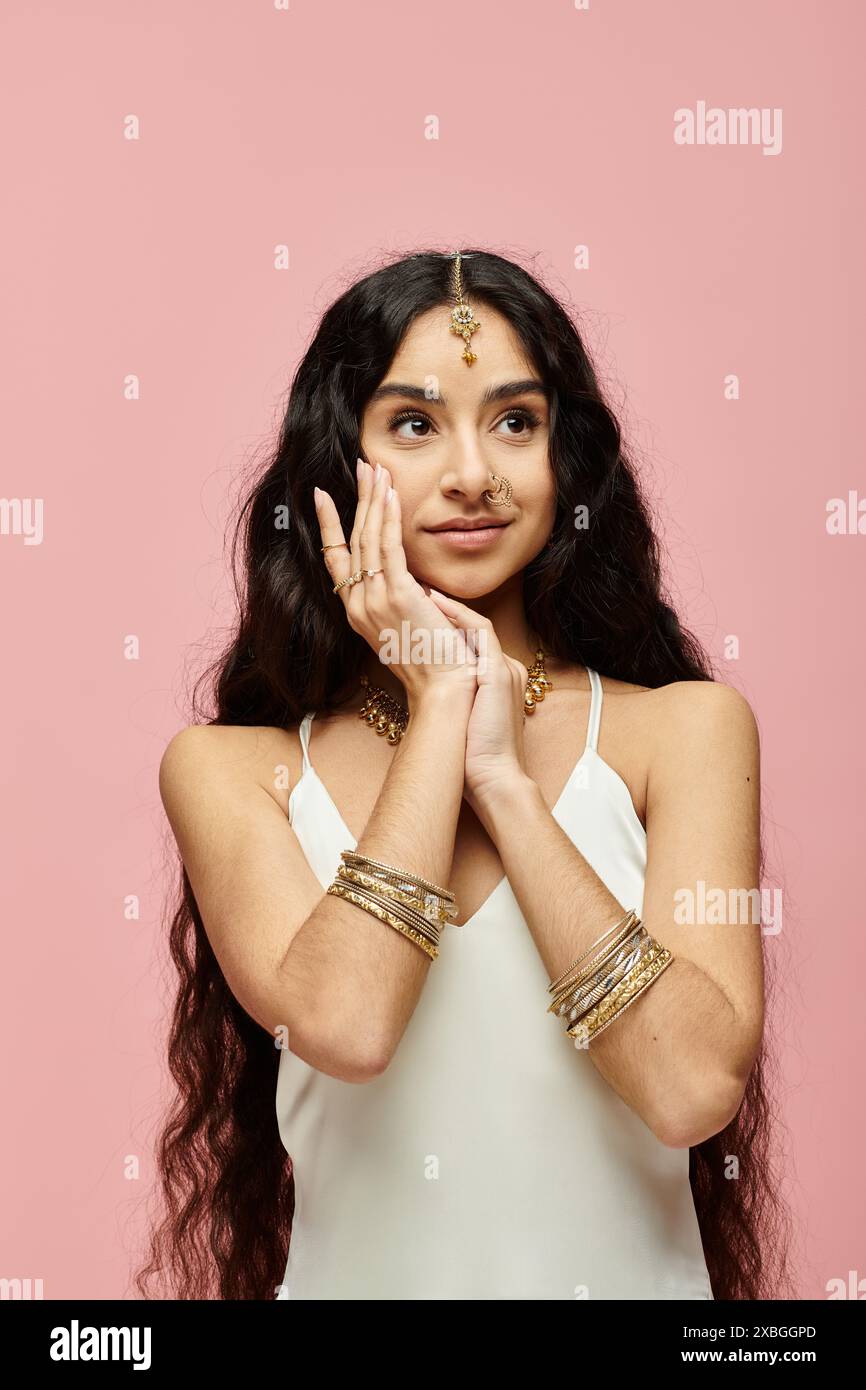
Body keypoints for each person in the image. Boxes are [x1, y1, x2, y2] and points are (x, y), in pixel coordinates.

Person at [134, 249, 794, 1301]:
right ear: (334, 464)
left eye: (514, 422)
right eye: (413, 424)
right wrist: (441, 701)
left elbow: (686, 1092)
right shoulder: (233, 771)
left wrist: (503, 782)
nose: (472, 474)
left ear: (565, 462)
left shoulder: (684, 733)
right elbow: (346, 1028)